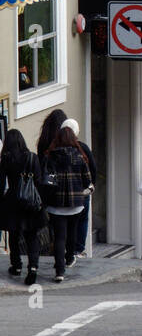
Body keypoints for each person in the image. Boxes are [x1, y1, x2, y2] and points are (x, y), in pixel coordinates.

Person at [43, 124, 92, 282]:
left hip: (55, 203)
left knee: (59, 237)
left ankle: (59, 271)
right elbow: (87, 180)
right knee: (72, 233)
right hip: (75, 202)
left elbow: (46, 179)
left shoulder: (50, 156)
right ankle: (70, 258)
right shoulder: (79, 156)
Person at [0, 129, 45, 286]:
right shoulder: (32, 157)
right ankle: (33, 267)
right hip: (30, 202)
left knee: (14, 235)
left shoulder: (6, 159)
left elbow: (1, 183)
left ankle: (16, 265)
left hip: (12, 202)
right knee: (32, 236)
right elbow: (39, 180)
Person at [63, 118, 96, 263]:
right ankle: (78, 248)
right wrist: (90, 185)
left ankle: (66, 249)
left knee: (65, 221)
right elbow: (92, 169)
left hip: (62, 193)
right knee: (82, 219)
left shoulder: (54, 149)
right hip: (82, 191)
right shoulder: (82, 148)